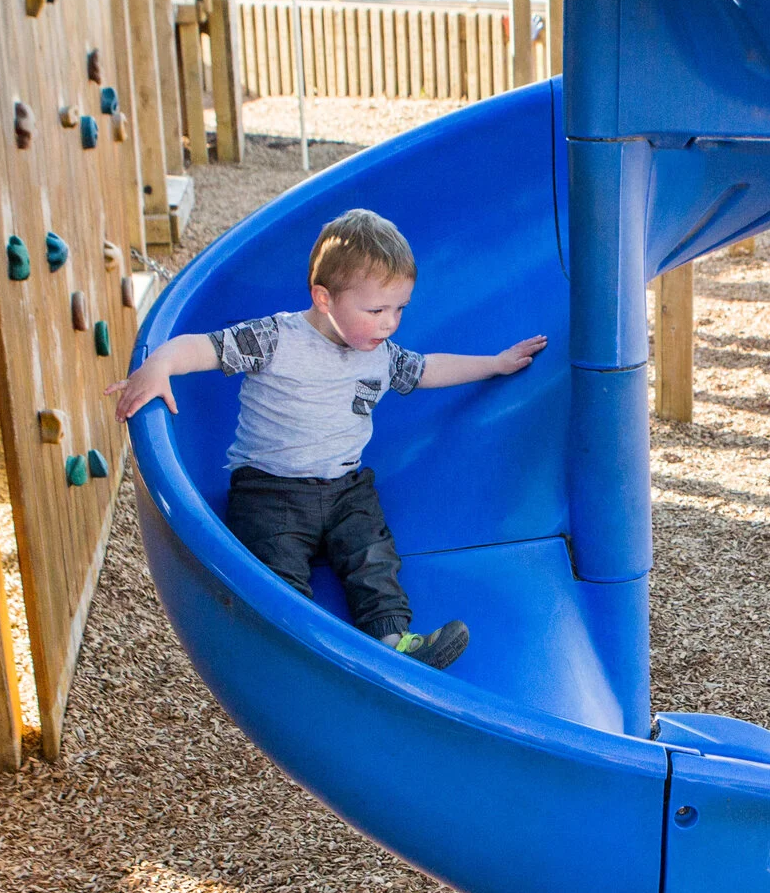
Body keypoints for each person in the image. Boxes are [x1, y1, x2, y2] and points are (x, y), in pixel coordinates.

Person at [110, 208, 546, 669]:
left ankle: (392, 641)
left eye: (399, 309)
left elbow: (428, 369)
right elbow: (205, 347)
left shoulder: (381, 355)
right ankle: (292, 647)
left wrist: (494, 363)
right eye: (376, 310)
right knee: (273, 566)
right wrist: (159, 365)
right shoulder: (276, 338)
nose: (389, 323)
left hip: (345, 488)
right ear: (324, 298)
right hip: (269, 487)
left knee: (373, 556)